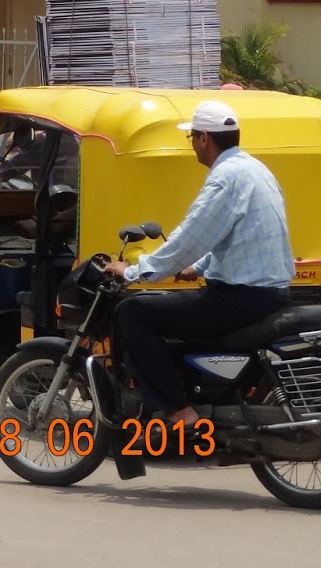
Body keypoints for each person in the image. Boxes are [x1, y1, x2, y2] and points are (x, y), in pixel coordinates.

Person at [105, 99, 294, 425]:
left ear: (205, 138)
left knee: (132, 313)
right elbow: (234, 235)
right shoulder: (254, 168)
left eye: (191, 137)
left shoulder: (225, 178)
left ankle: (177, 408)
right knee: (170, 310)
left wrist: (135, 272)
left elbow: (189, 237)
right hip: (268, 294)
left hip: (241, 298)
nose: (192, 144)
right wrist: (199, 267)